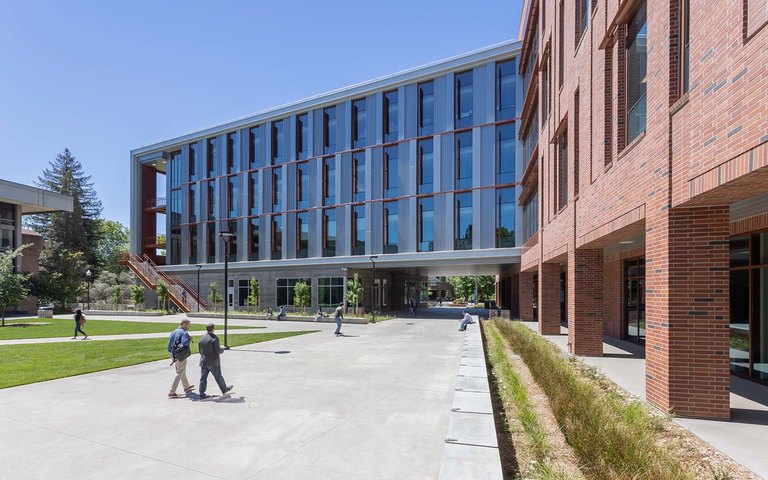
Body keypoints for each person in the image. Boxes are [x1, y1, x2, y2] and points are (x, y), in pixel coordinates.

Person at [197, 323, 233, 399]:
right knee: (218, 376)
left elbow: (200, 351)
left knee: (203, 378)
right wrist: (223, 348)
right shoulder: (214, 338)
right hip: (213, 362)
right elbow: (218, 350)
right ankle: (224, 389)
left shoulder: (201, 338)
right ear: (213, 328)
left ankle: (201, 394)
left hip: (203, 361)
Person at [167, 319, 195, 398]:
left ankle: (186, 387)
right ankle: (172, 392)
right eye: (188, 324)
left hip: (173, 354)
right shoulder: (184, 333)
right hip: (181, 355)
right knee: (179, 372)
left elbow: (169, 344)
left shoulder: (174, 331)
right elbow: (185, 343)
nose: (189, 326)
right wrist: (190, 339)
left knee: (182, 370)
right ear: (184, 324)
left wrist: (172, 353)